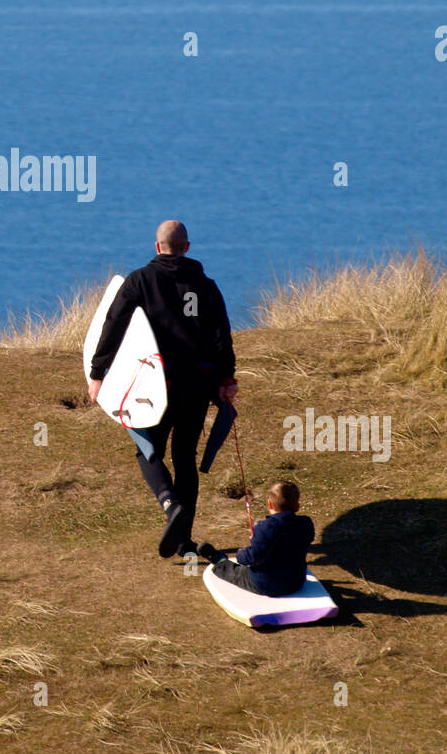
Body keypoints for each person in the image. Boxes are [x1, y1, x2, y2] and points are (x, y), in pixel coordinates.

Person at [87, 219, 237, 558]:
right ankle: (183, 541)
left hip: (154, 386)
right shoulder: (206, 286)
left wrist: (98, 373)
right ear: (186, 247)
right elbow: (220, 338)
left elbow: (113, 325)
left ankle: (170, 505)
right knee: (185, 457)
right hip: (196, 386)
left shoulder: (140, 280)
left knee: (147, 450)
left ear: (158, 247)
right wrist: (226, 380)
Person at [201, 481, 313, 596]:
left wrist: (241, 554)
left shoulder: (264, 527)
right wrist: (259, 539)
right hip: (296, 582)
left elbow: (252, 557)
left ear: (270, 504)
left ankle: (220, 561)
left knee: (237, 573)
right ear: (297, 506)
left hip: (266, 585)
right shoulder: (306, 524)